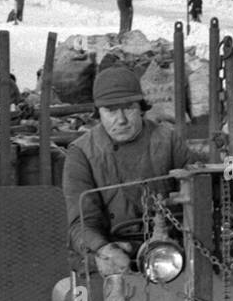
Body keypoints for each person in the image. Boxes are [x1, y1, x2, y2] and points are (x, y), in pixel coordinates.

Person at [62, 65, 189, 277]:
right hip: (112, 249)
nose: (121, 119)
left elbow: (195, 196)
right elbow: (79, 225)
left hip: (168, 250)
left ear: (140, 107)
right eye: (110, 111)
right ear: (98, 113)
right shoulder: (81, 153)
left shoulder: (168, 140)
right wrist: (106, 250)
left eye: (128, 108)